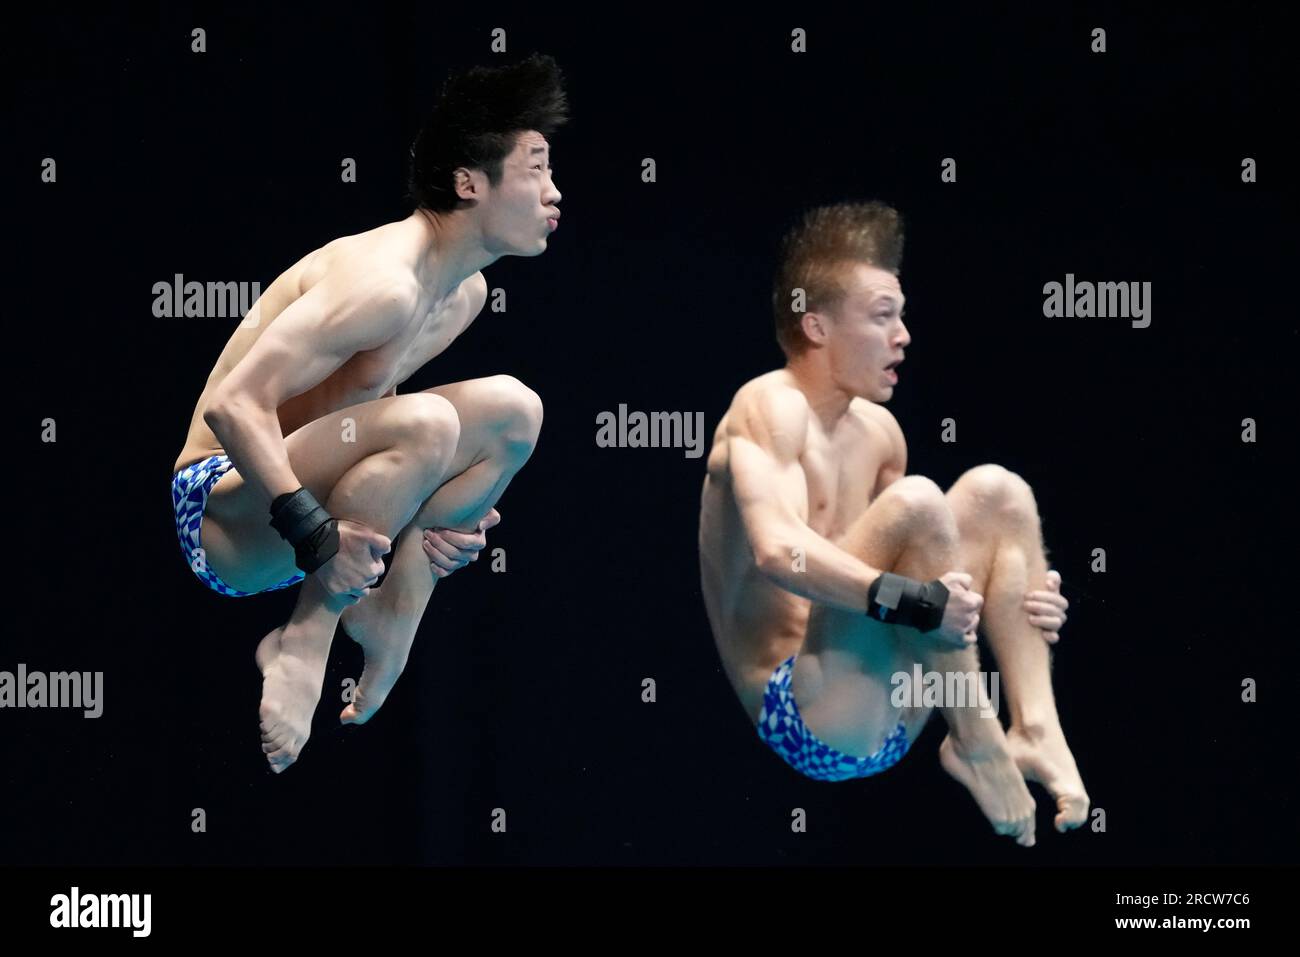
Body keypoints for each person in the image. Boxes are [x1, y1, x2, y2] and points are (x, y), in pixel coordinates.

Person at [170, 54, 566, 773]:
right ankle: (306, 638)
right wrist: (316, 533)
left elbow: (356, 415)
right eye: (535, 169)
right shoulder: (383, 283)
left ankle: (389, 610)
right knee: (428, 425)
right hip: (222, 509)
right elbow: (234, 407)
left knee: (515, 411)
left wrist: (438, 511)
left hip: (313, 518)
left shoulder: (462, 294)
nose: (554, 191)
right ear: (469, 183)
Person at [697, 202, 1088, 846]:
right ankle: (980, 743)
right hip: (805, 713)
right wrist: (920, 601)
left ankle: (1035, 728)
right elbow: (777, 552)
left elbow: (927, 578)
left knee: (999, 493)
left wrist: (1017, 602)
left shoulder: (881, 433)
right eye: (883, 316)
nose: (903, 335)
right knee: (917, 503)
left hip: (891, 707)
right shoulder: (766, 407)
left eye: (901, 316)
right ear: (817, 326)